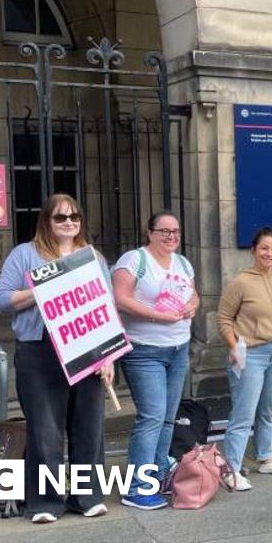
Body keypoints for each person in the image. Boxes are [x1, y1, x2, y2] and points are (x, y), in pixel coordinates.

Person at [0, 194, 113, 523]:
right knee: (45, 430)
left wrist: (109, 357)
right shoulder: (24, 254)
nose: (70, 222)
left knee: (89, 428)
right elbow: (1, 299)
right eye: (61, 217)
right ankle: (45, 502)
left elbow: (107, 308)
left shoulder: (93, 258)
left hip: (87, 347)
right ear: (47, 221)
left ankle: (86, 496)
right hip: (40, 348)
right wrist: (44, 288)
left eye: (75, 216)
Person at [111, 210, 198, 510]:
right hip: (145, 350)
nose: (171, 236)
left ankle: (159, 475)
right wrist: (157, 316)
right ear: (149, 233)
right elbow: (120, 298)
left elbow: (194, 294)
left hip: (178, 348)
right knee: (151, 417)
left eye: (175, 231)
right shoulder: (134, 260)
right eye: (164, 231)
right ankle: (136, 487)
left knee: (167, 417)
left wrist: (192, 306)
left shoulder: (183, 262)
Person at [218, 227, 272, 489]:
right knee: (244, 413)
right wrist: (234, 347)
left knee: (268, 410)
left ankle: (265, 458)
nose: (269, 253)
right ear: (253, 250)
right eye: (264, 248)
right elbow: (224, 319)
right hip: (250, 354)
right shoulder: (240, 281)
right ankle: (231, 468)